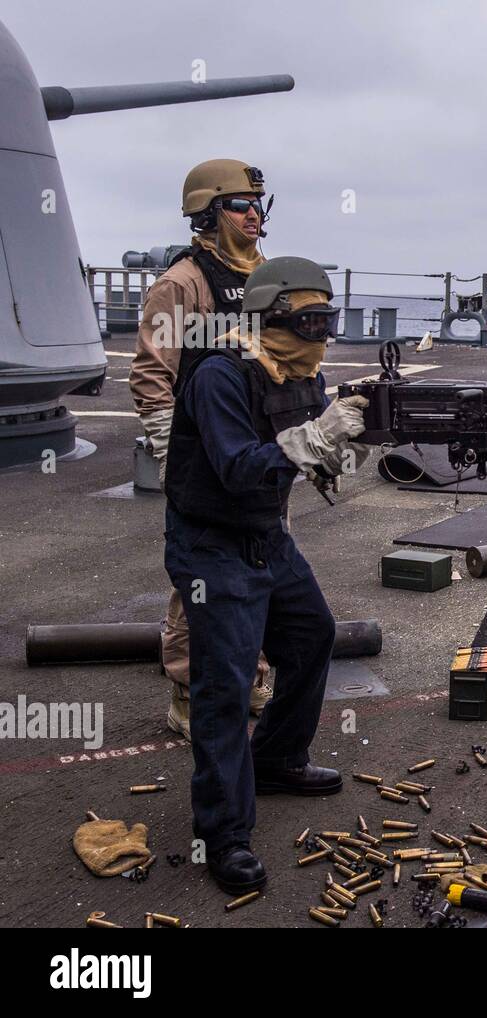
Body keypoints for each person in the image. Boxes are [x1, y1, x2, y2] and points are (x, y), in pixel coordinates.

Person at [162, 256, 369, 893]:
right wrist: (312, 442)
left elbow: (306, 447)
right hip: (212, 543)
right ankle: (222, 834)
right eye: (310, 322)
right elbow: (236, 468)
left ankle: (276, 759)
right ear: (267, 319)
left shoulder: (300, 372)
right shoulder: (220, 374)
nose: (321, 336)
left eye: (327, 321)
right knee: (224, 687)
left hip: (265, 535)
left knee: (310, 636)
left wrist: (340, 447)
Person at [129, 159, 276, 739]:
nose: (254, 215)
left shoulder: (267, 276)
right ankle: (190, 691)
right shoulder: (183, 284)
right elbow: (151, 375)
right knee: (200, 576)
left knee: (260, 566)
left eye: (258, 205)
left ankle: (250, 673)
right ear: (210, 213)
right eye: (241, 205)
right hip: (203, 455)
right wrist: (173, 453)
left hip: (257, 453)